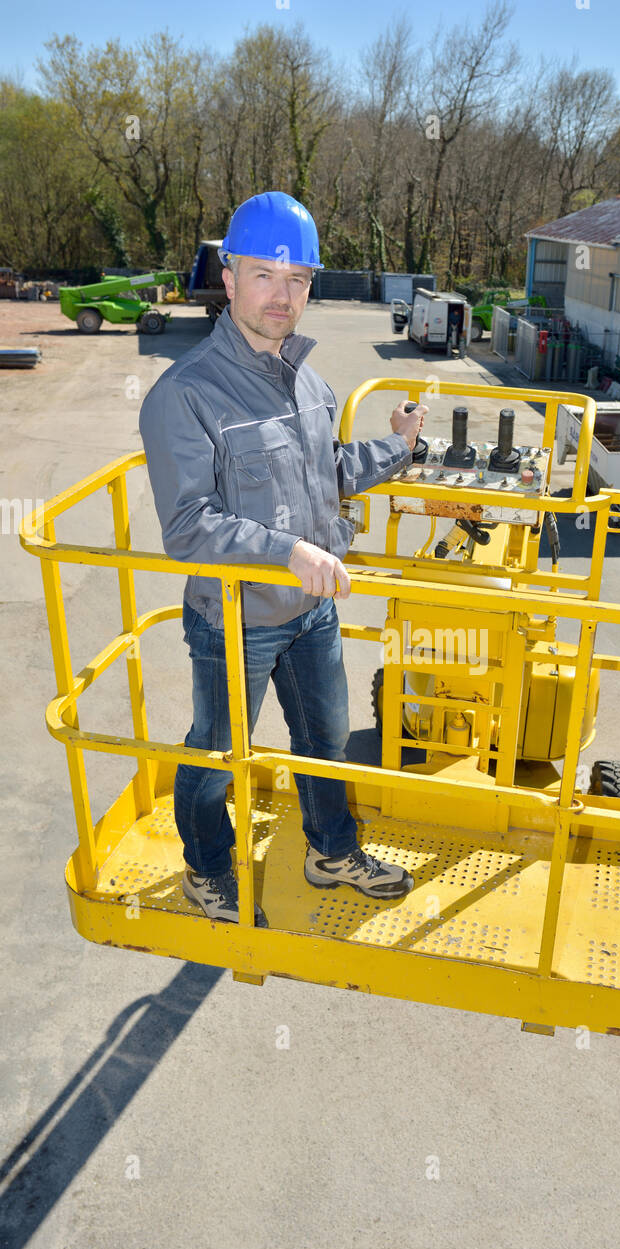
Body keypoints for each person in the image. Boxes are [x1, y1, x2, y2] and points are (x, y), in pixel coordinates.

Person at [139, 190, 428, 928]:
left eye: (297, 279)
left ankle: (331, 850)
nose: (281, 294)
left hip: (312, 613)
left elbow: (322, 468)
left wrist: (397, 446)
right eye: (263, 275)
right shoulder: (186, 394)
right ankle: (206, 870)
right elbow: (186, 525)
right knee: (217, 751)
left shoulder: (310, 381)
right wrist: (287, 550)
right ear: (228, 279)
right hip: (236, 618)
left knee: (326, 742)